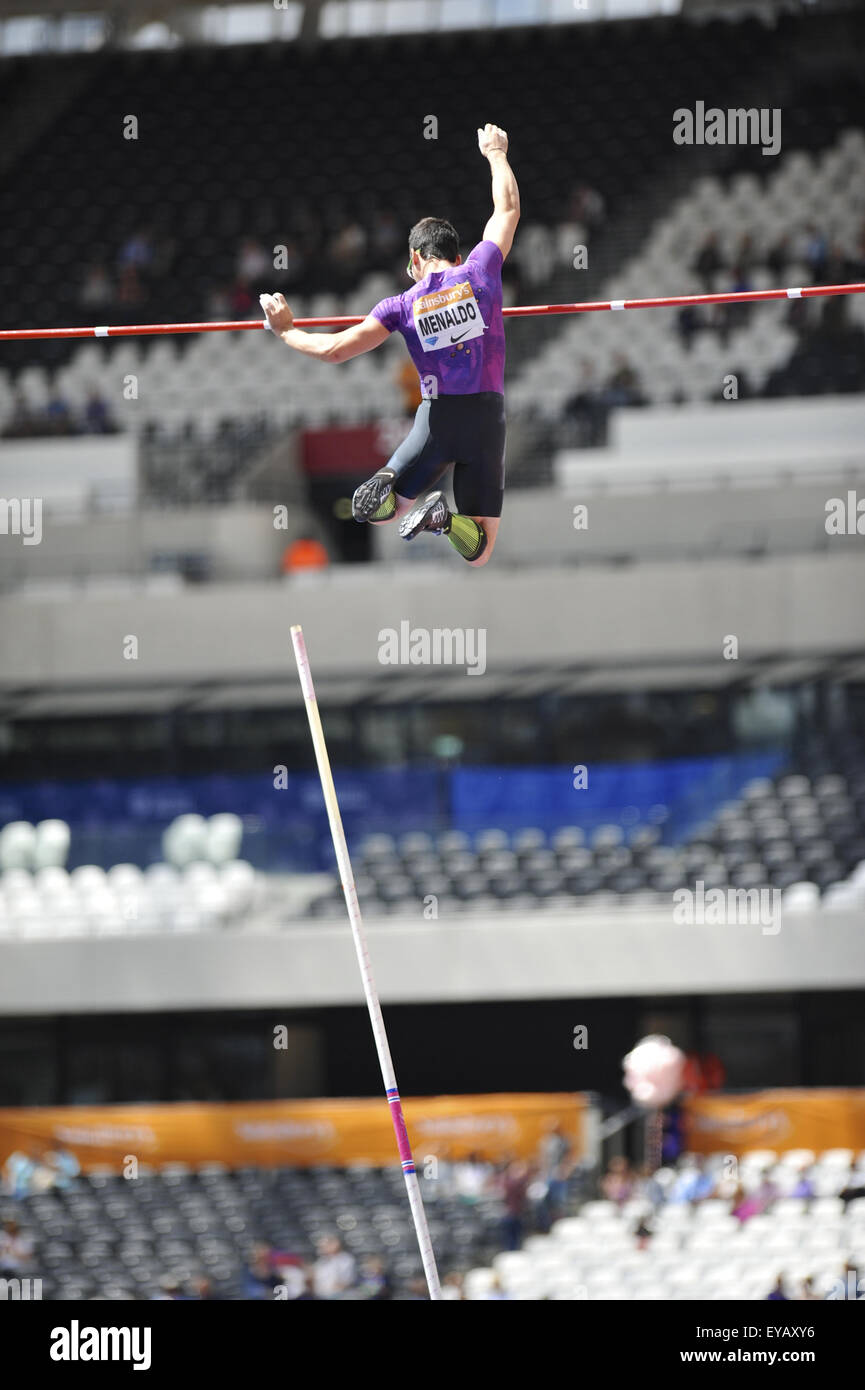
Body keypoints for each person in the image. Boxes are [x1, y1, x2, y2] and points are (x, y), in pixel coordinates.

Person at [260, 123, 520, 569]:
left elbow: (335, 350)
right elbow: (507, 208)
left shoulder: (401, 304)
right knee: (480, 550)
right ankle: (441, 520)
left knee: (382, 513)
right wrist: (496, 153)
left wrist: (286, 331)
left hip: (435, 420)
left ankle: (390, 484)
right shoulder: (479, 270)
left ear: (416, 259)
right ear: (456, 255)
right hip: (485, 417)